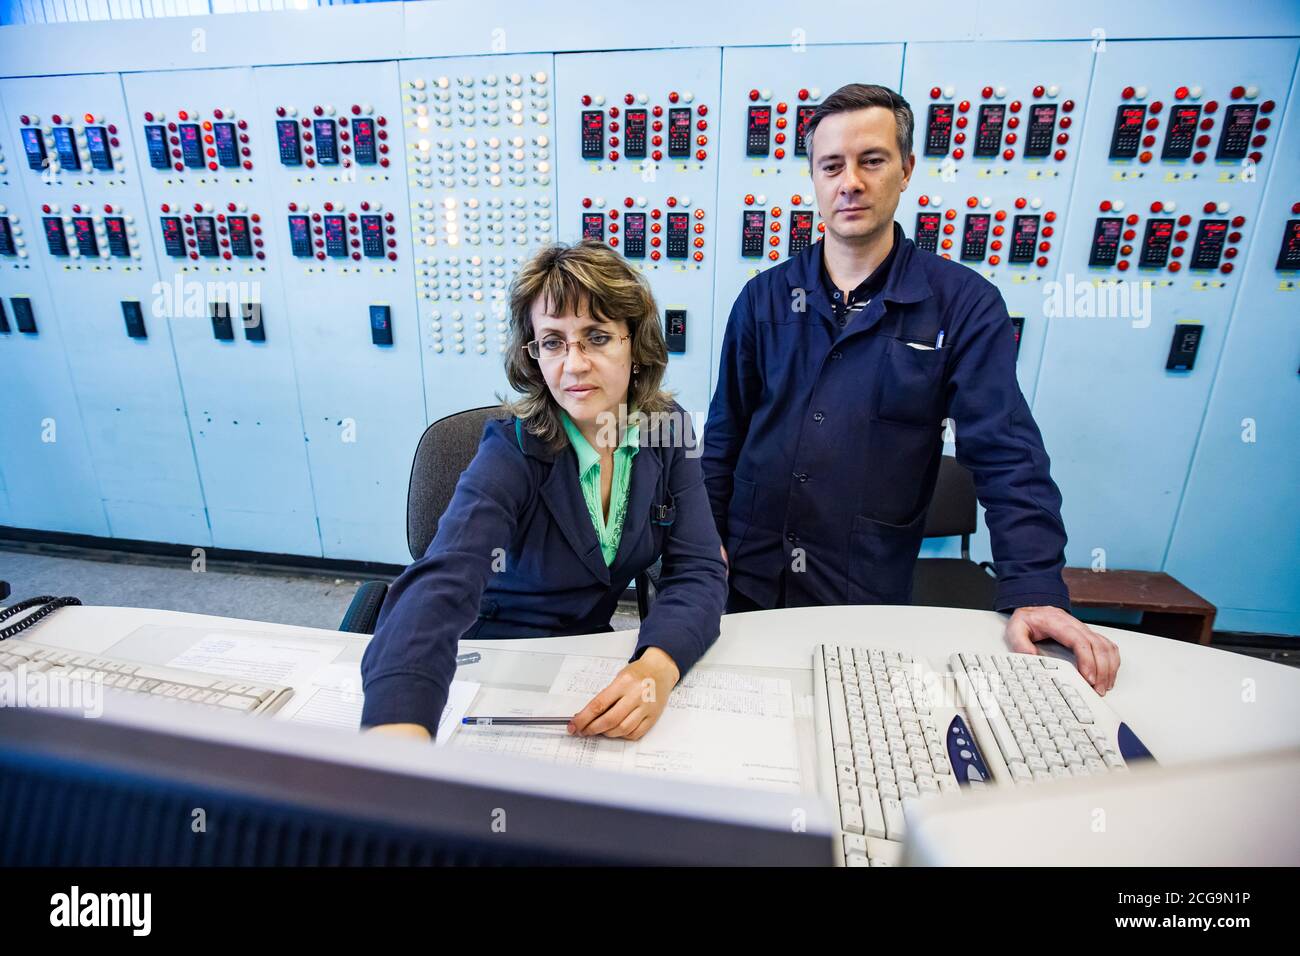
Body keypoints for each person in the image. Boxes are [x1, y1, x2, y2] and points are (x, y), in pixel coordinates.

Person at [702, 83, 1120, 694]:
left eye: (871, 160)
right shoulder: (764, 299)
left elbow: (1006, 452)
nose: (851, 181)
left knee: (849, 739)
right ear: (814, 179)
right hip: (747, 575)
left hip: (863, 589)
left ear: (905, 171)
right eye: (831, 165)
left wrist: (1033, 587)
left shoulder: (963, 304)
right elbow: (724, 437)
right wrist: (703, 542)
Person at [362, 240, 728, 740]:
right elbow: (442, 580)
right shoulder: (513, 448)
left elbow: (699, 568)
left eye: (597, 338)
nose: (573, 365)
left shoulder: (668, 429)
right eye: (553, 341)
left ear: (635, 347)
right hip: (491, 658)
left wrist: (657, 666)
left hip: (586, 659)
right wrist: (396, 730)